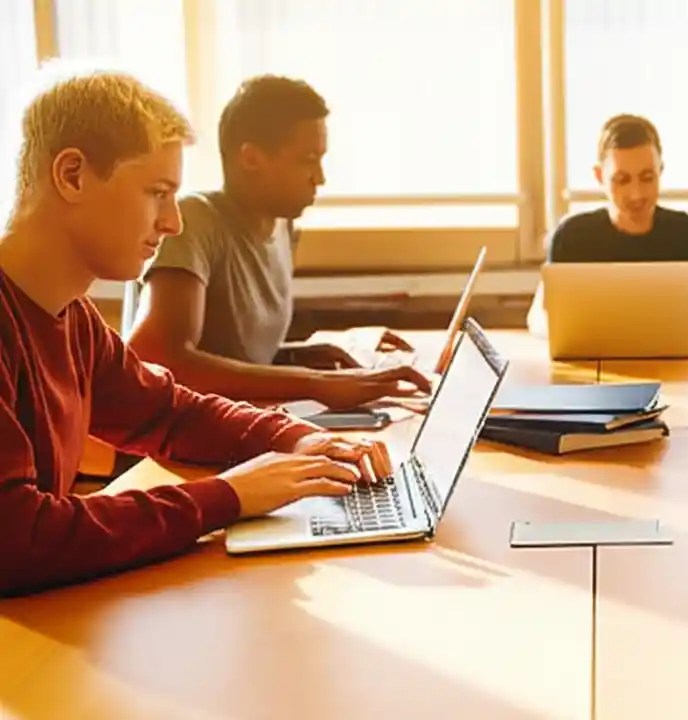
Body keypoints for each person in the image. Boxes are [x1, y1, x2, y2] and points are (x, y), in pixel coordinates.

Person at [0, 70, 387, 596]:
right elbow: (17, 539)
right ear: (72, 175)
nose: (173, 224)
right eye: (157, 193)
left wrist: (298, 437)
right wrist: (228, 496)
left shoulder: (72, 319)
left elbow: (169, 412)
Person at [127, 75, 431, 409]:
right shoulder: (194, 221)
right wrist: (316, 383)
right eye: (307, 159)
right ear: (251, 158)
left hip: (241, 419)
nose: (320, 177)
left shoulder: (283, 225)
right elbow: (158, 358)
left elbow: (239, 356)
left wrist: (315, 356)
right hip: (177, 442)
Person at [526, 113, 688, 338]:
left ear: (661, 171)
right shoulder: (571, 237)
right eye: (622, 180)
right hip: (591, 362)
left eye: (647, 177)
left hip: (677, 362)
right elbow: (539, 317)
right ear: (600, 177)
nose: (636, 194)